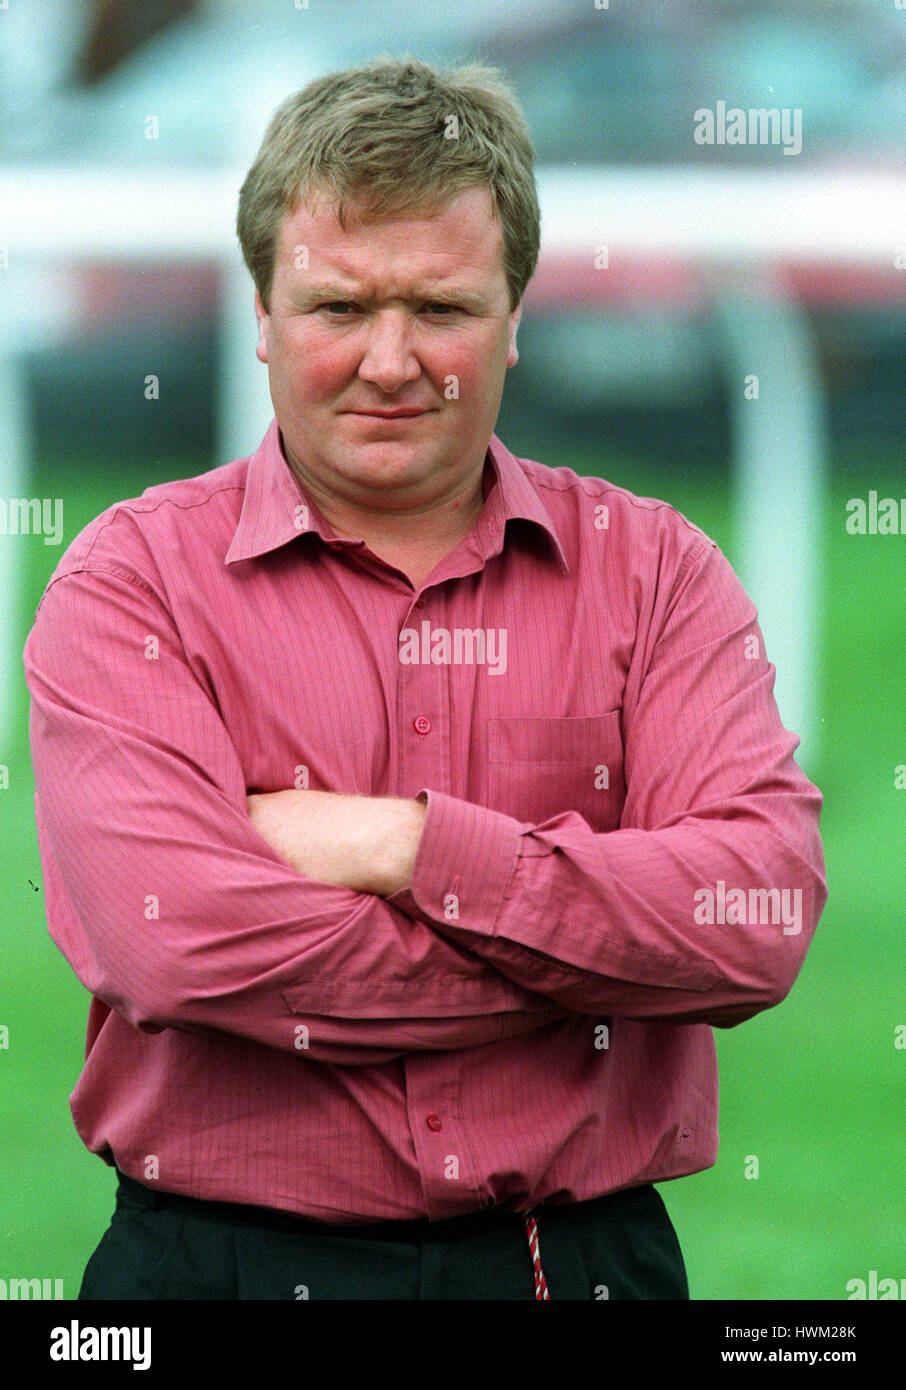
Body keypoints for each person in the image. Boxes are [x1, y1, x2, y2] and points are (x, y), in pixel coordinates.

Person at [24, 55, 826, 1301]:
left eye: (440, 309)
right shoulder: (130, 582)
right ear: (263, 310)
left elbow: (757, 916)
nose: (391, 361)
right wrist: (586, 971)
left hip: (574, 1264)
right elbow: (173, 948)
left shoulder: (657, 569)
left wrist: (408, 848)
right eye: (340, 307)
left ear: (516, 314)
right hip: (211, 1268)